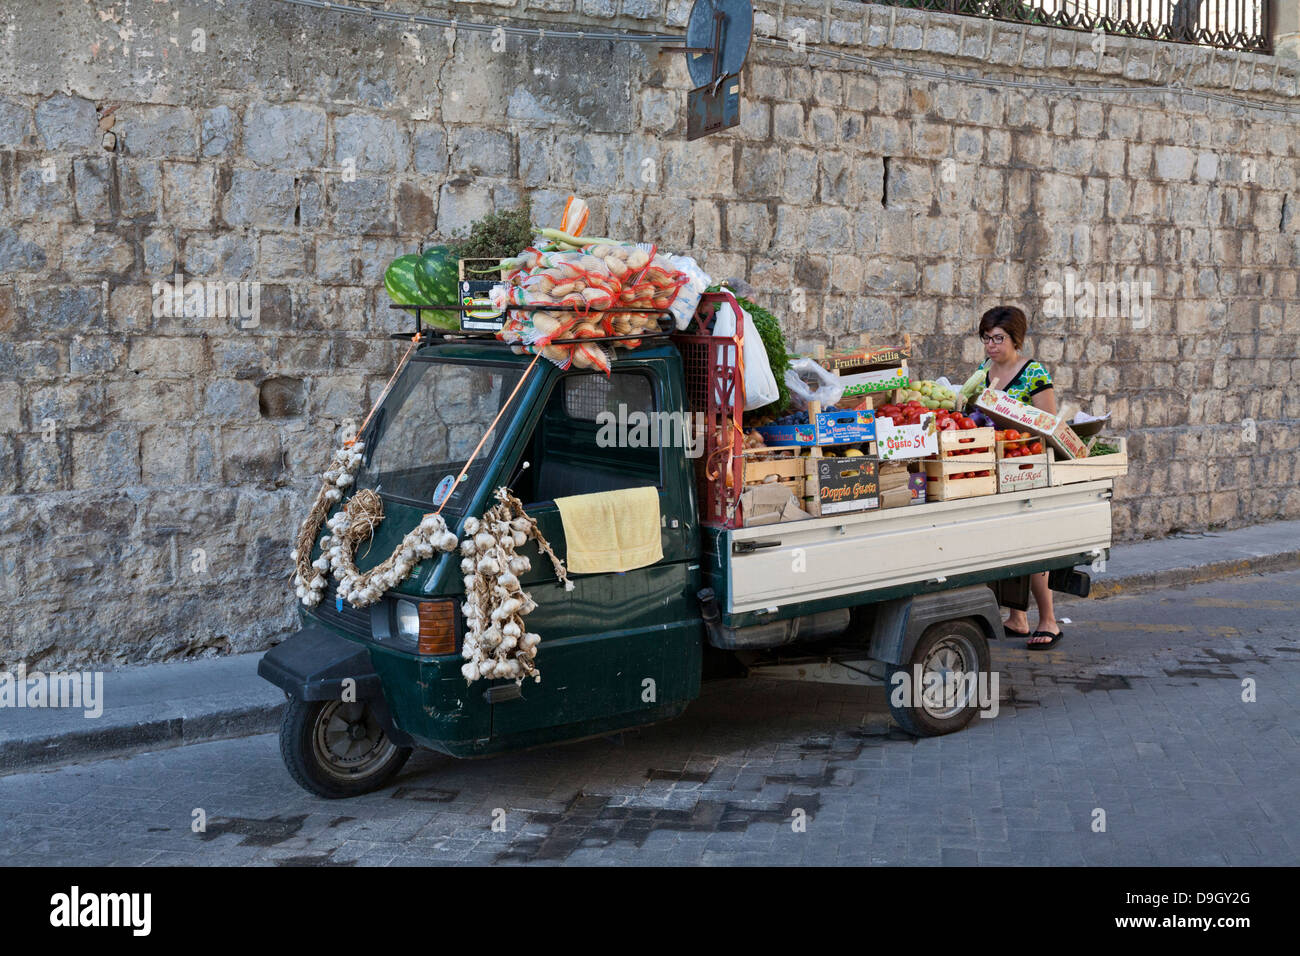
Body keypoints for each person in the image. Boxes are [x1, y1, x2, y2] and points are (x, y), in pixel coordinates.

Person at [967, 305, 1063, 650]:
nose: (991, 345)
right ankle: (1017, 618)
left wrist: (1013, 420)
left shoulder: (1033, 372)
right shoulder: (984, 370)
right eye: (986, 338)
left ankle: (1049, 620)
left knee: (1034, 545)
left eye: (998, 338)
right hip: (995, 466)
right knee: (1007, 543)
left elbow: (1048, 422)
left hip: (1026, 465)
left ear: (1016, 339)